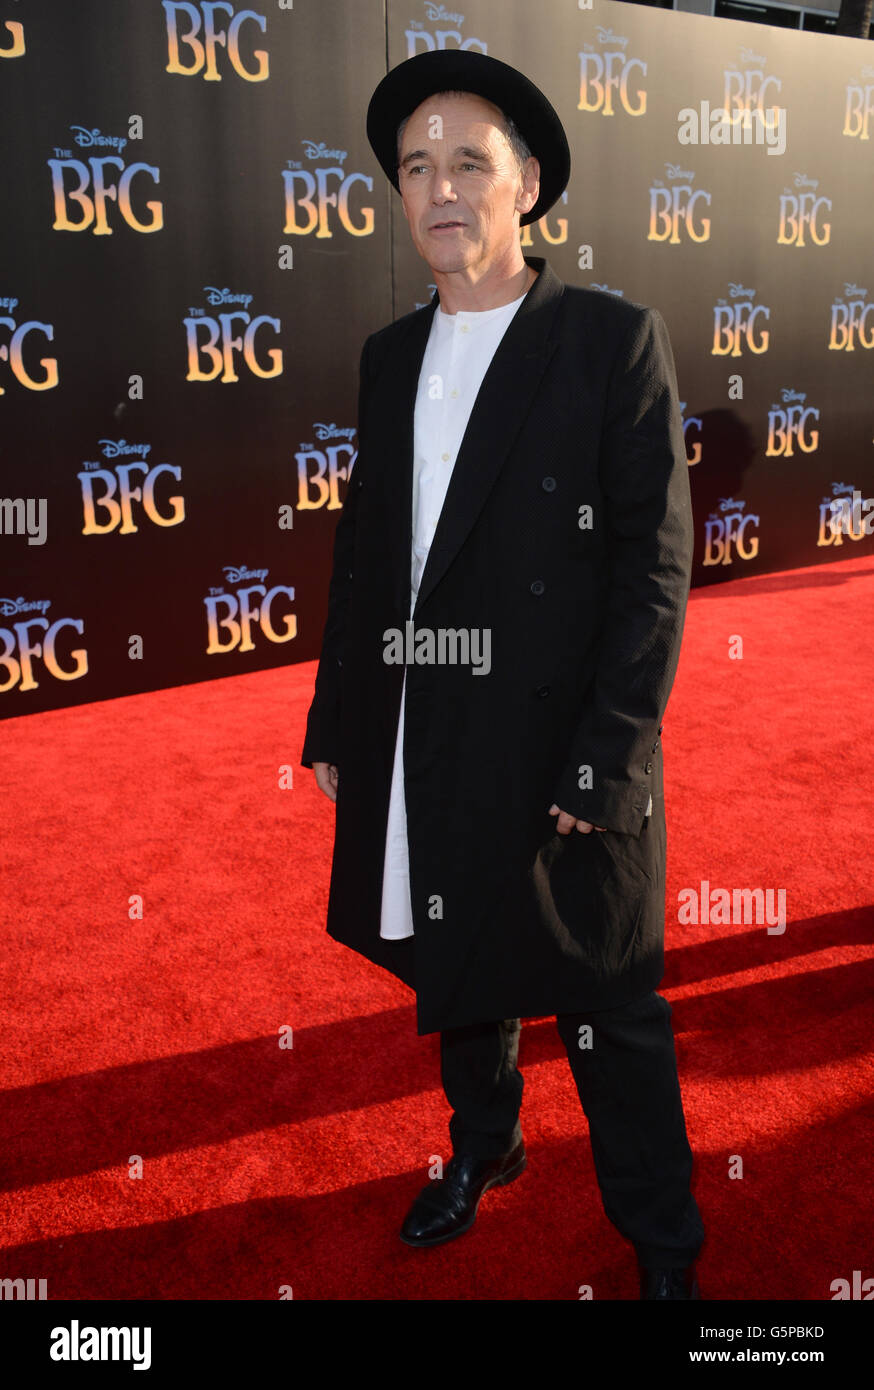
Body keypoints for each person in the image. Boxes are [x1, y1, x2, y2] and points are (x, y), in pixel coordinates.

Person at [301, 48, 705, 1300]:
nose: (439, 189)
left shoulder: (607, 341)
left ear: (526, 185)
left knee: (607, 1004)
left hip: (563, 740)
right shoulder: (384, 356)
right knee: (453, 962)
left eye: (468, 163)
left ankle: (666, 1249)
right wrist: (335, 713)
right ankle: (485, 1148)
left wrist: (609, 750)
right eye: (414, 168)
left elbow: (653, 571)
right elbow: (364, 550)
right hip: (422, 720)